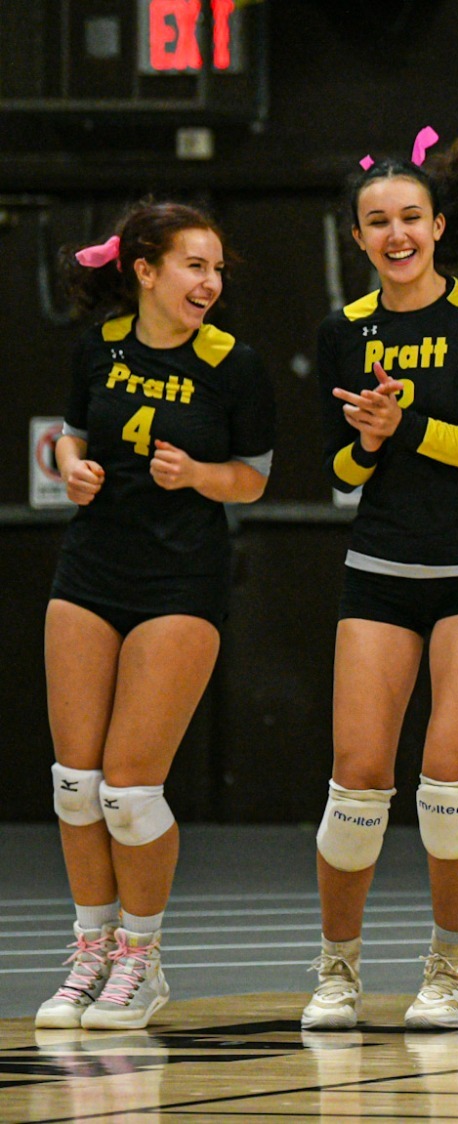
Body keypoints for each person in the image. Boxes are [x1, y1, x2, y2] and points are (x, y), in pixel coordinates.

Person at [303, 125, 458, 1031]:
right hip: (381, 566)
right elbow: (339, 473)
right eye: (377, 221)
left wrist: (405, 429)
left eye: (410, 216)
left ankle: (448, 968)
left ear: (438, 225)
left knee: (449, 779)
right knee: (358, 778)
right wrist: (366, 442)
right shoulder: (344, 330)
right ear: (358, 237)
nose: (395, 233)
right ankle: (337, 969)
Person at [39, 202, 273, 1031]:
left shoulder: (233, 365)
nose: (209, 283)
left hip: (181, 579)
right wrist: (71, 467)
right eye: (193, 266)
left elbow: (254, 478)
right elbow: (64, 438)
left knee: (131, 791)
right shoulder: (98, 348)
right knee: (76, 786)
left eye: (216, 269)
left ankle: (142, 958)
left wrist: (200, 475)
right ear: (144, 271)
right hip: (91, 567)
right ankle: (90, 948)